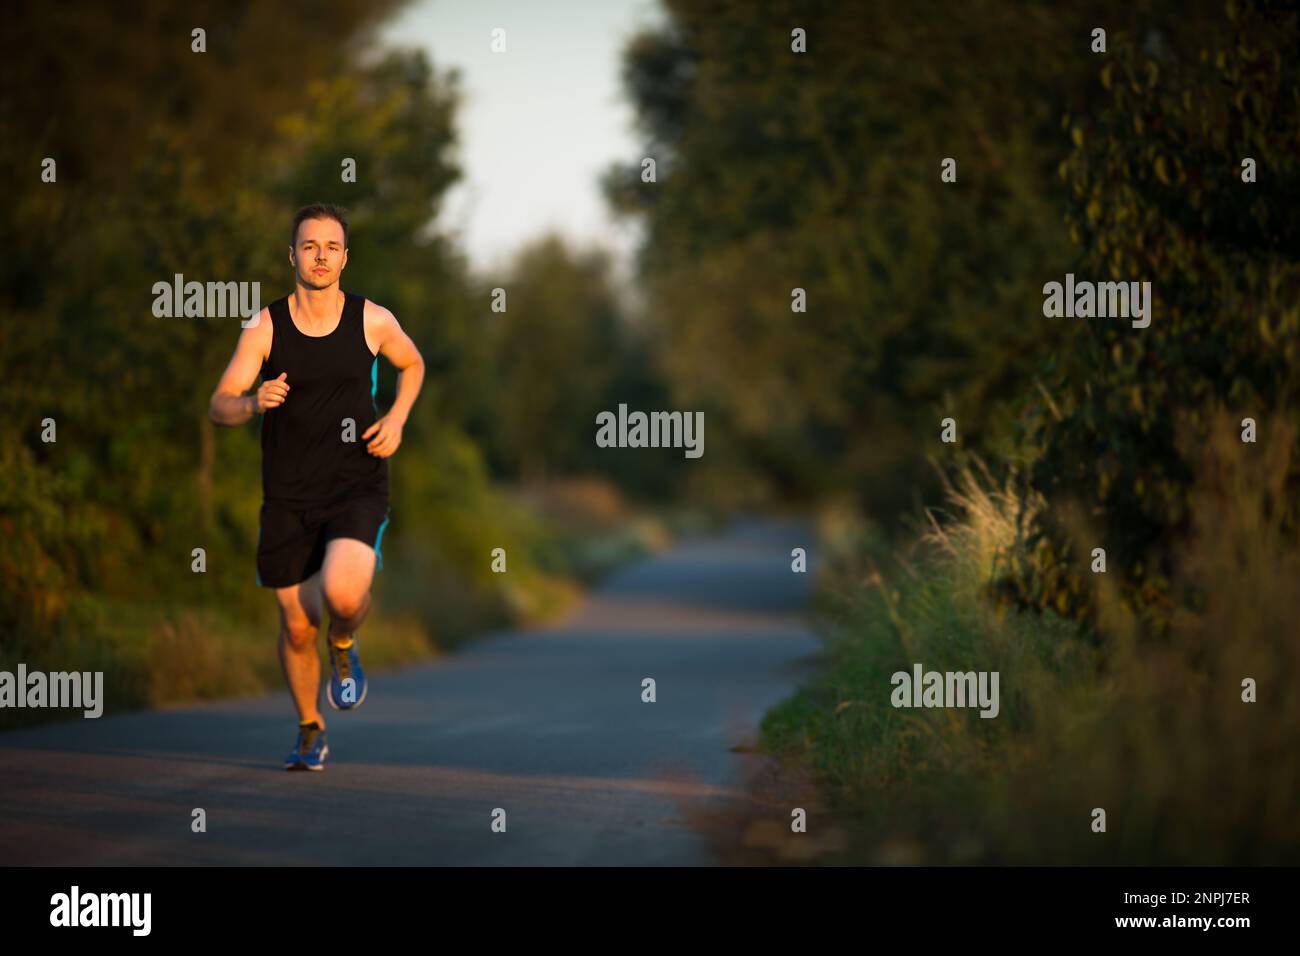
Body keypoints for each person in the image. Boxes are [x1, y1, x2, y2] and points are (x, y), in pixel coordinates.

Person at [208, 203, 425, 770]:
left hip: (357, 484)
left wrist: (398, 418)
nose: (320, 256)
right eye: (310, 246)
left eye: (331, 247)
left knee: (343, 596)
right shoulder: (265, 327)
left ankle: (345, 642)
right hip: (287, 495)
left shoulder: (371, 320)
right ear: (292, 256)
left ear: (345, 258)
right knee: (297, 627)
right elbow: (219, 403)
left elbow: (413, 363)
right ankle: (310, 728)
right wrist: (253, 403)